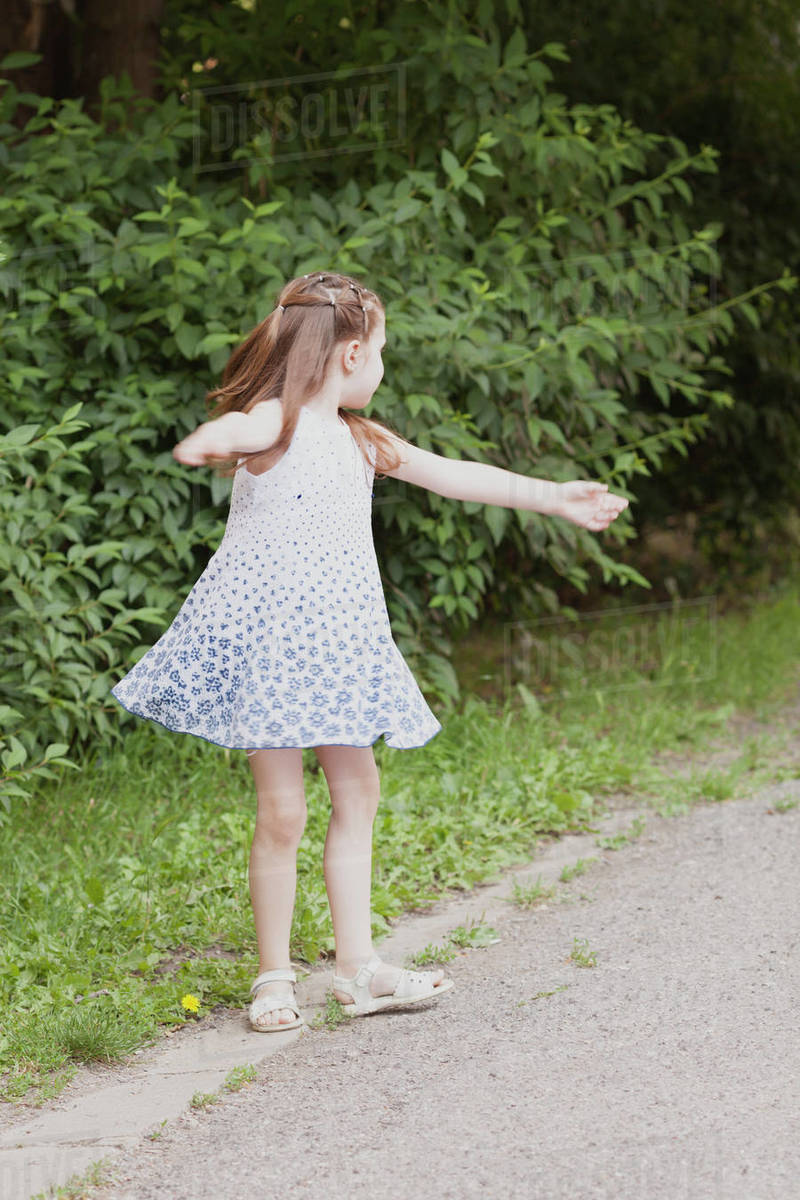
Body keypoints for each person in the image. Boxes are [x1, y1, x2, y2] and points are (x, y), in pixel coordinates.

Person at [111, 271, 629, 1033]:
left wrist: (555, 494)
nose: (384, 367)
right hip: (274, 648)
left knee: (359, 794)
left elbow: (455, 477)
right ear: (351, 354)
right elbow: (248, 433)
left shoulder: (365, 439)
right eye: (382, 352)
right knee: (282, 811)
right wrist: (217, 439)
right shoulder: (275, 421)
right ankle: (274, 978)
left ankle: (358, 967)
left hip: (341, 645)